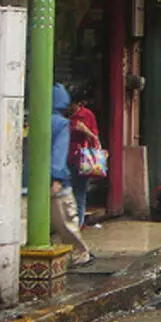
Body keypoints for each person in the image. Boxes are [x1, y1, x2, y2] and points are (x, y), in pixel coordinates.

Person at [51, 83, 91, 265]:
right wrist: (57, 177)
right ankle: (80, 254)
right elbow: (58, 153)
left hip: (30, 183)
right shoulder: (61, 124)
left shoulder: (32, 120)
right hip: (58, 180)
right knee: (67, 222)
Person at [67, 88, 101, 227]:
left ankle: (79, 222)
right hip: (67, 157)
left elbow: (95, 138)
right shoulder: (65, 116)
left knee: (79, 191)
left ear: (78, 103)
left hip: (82, 159)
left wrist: (85, 131)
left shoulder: (87, 115)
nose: (69, 107)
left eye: (72, 104)